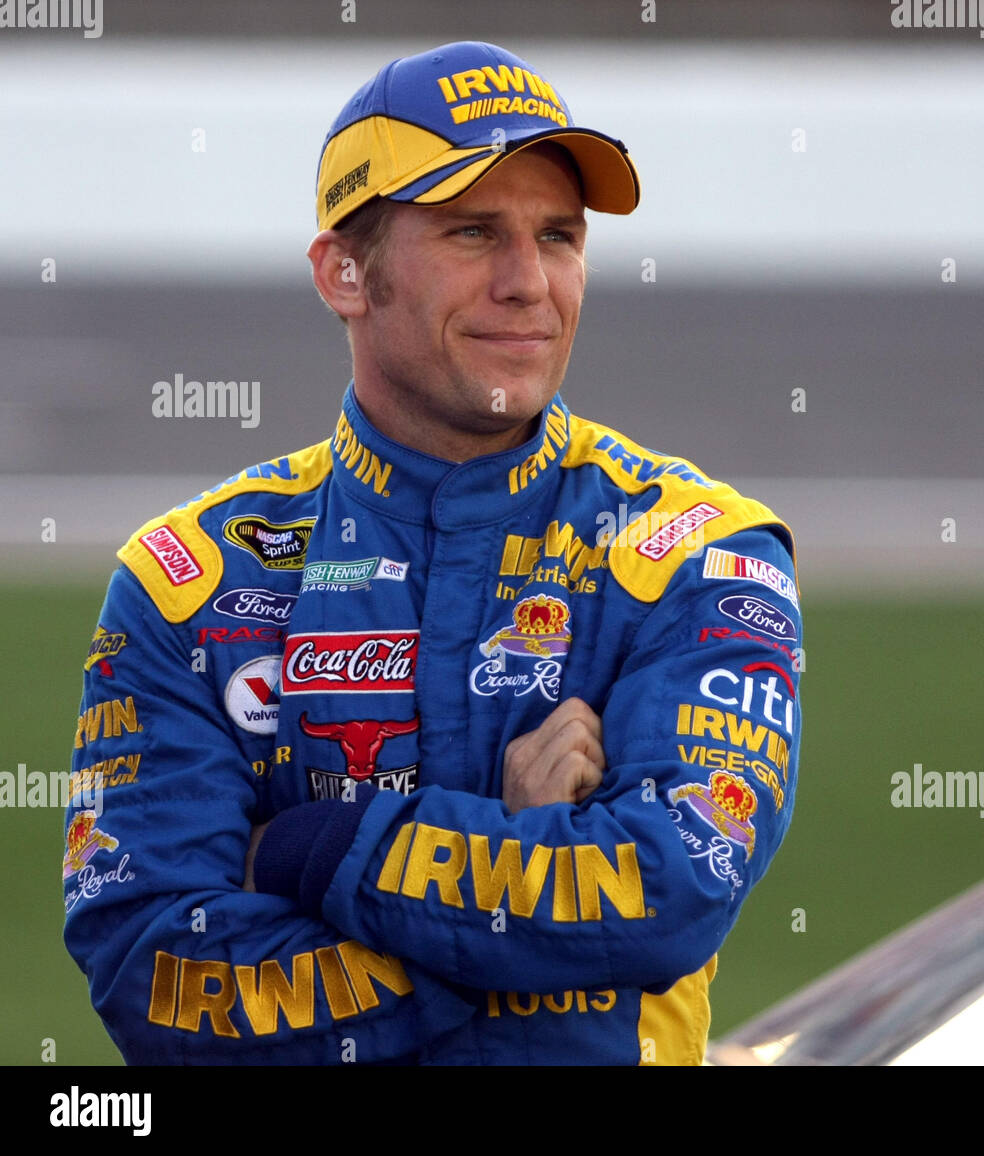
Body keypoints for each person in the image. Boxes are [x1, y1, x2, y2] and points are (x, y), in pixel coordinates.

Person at [63, 40, 801, 1065]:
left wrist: (309, 855)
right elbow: (158, 975)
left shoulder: (697, 552)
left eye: (558, 235)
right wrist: (511, 885)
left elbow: (668, 891)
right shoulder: (191, 581)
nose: (528, 283)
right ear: (344, 273)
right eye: (472, 232)